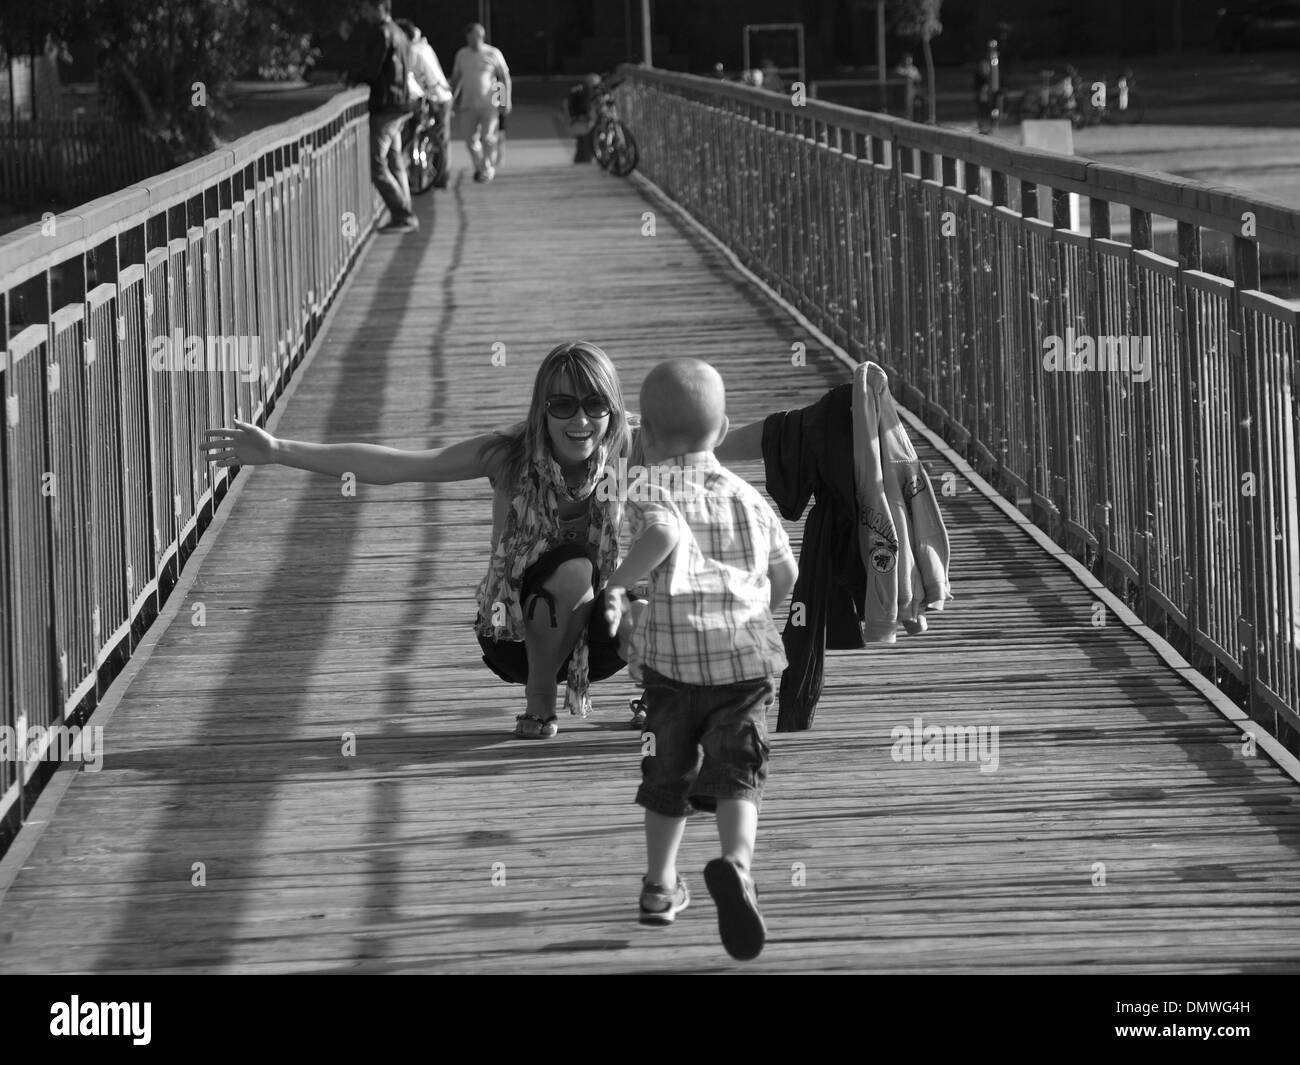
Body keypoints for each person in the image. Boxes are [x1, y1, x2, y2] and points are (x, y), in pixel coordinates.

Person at [201, 343, 774, 740]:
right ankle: (540, 700)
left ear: (611, 407)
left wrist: (838, 431)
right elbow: (402, 465)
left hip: (596, 634)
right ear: (541, 409)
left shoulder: (627, 445)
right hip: (515, 633)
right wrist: (278, 450)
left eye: (596, 405)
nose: (582, 422)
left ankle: (660, 693)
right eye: (562, 405)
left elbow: (709, 436)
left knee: (655, 567)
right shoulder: (510, 453)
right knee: (574, 567)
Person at [603, 359, 798, 961]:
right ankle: (736, 863)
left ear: (648, 439)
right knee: (740, 769)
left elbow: (660, 536)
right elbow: (786, 575)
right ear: (723, 429)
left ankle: (660, 887)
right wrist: (759, 606)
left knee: (668, 774)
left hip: (672, 665)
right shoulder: (749, 496)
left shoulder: (646, 488)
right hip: (744, 662)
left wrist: (617, 586)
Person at [348, 0, 420, 232]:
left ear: (380, 8)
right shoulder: (399, 32)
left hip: (386, 107)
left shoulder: (383, 33)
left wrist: (352, 77)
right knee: (394, 161)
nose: (364, 13)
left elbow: (372, 70)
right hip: (401, 104)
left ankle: (403, 214)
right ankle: (404, 211)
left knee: (378, 167)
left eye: (367, 8)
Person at [451, 22, 511, 183]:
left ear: (481, 36)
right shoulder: (462, 55)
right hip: (468, 104)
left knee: (489, 138)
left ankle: (486, 168)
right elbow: (456, 79)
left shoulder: (493, 53)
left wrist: (505, 100)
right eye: (468, 38)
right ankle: (481, 166)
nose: (471, 41)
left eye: (474, 37)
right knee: (469, 139)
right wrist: (452, 99)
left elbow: (504, 78)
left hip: (489, 103)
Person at [396, 17, 452, 190]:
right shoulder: (423, 47)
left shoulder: (413, 51)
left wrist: (427, 98)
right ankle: (438, 176)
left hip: (435, 97)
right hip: (441, 95)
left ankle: (435, 176)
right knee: (438, 138)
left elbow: (421, 77)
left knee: (433, 138)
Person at [566, 73, 602, 163]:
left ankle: (580, 162)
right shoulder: (584, 94)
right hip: (584, 123)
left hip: (579, 123)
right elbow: (587, 109)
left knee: (582, 145)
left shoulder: (580, 92)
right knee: (585, 146)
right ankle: (583, 163)